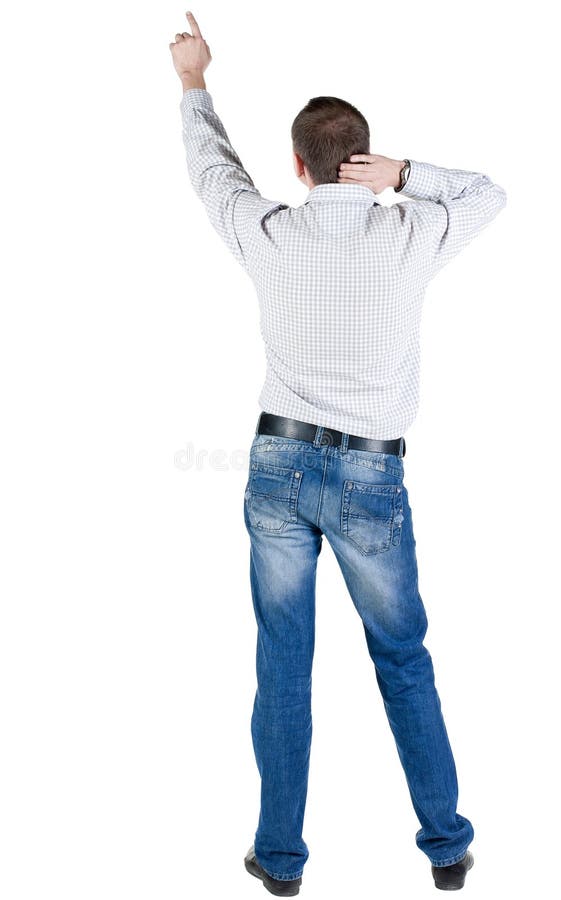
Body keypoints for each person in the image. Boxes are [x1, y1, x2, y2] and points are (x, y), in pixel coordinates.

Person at [170, 12, 506, 896]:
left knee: (282, 659)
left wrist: (194, 82)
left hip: (276, 471)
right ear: (361, 161)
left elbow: (212, 172)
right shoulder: (408, 233)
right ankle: (445, 849)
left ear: (297, 166)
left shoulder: (267, 232)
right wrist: (408, 176)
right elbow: (488, 194)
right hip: (370, 475)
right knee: (402, 656)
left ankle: (279, 860)